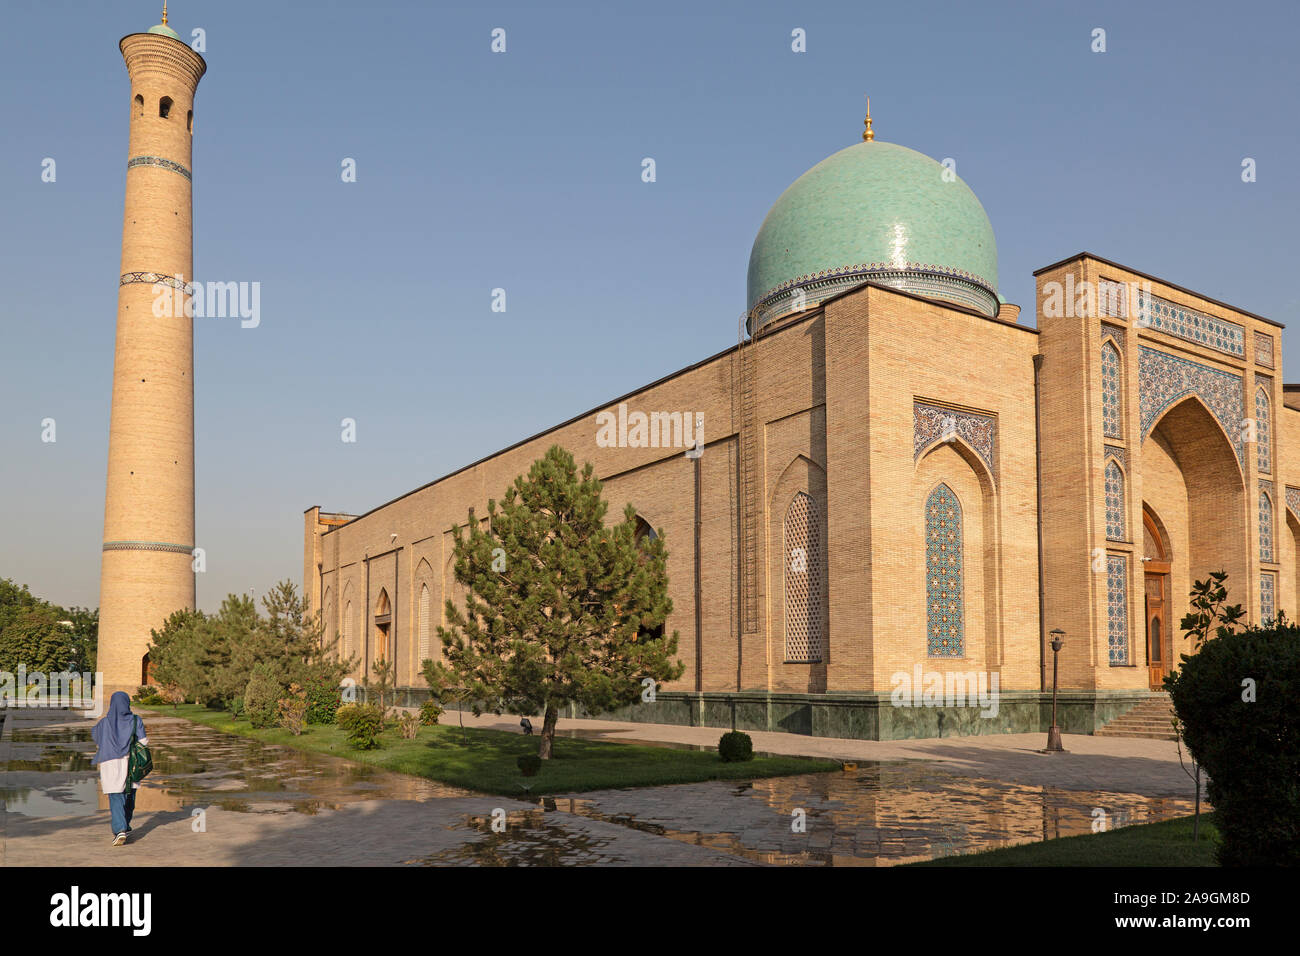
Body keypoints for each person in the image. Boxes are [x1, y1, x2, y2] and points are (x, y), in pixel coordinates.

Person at [91, 691, 147, 846]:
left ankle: (120, 829)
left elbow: (97, 741)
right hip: (131, 763)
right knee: (130, 796)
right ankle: (124, 825)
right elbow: (144, 742)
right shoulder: (136, 720)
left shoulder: (103, 723)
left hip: (110, 764)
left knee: (116, 796)